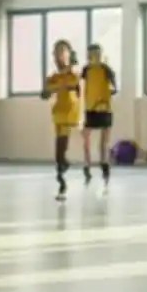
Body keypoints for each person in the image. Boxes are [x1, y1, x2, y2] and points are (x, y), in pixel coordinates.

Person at [42, 40, 80, 201]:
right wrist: (48, 88)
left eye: (61, 52)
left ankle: (62, 182)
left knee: (60, 150)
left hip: (69, 114)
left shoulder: (74, 74)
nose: (58, 56)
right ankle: (62, 175)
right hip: (58, 114)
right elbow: (44, 94)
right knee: (60, 153)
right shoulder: (54, 77)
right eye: (55, 53)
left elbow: (77, 87)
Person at [80, 44, 117, 190]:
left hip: (104, 109)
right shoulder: (85, 70)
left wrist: (108, 92)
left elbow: (114, 87)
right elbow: (81, 88)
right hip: (89, 109)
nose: (94, 56)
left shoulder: (107, 69)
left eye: (97, 53)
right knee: (86, 138)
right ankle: (87, 165)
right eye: (91, 54)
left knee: (104, 141)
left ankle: (104, 165)